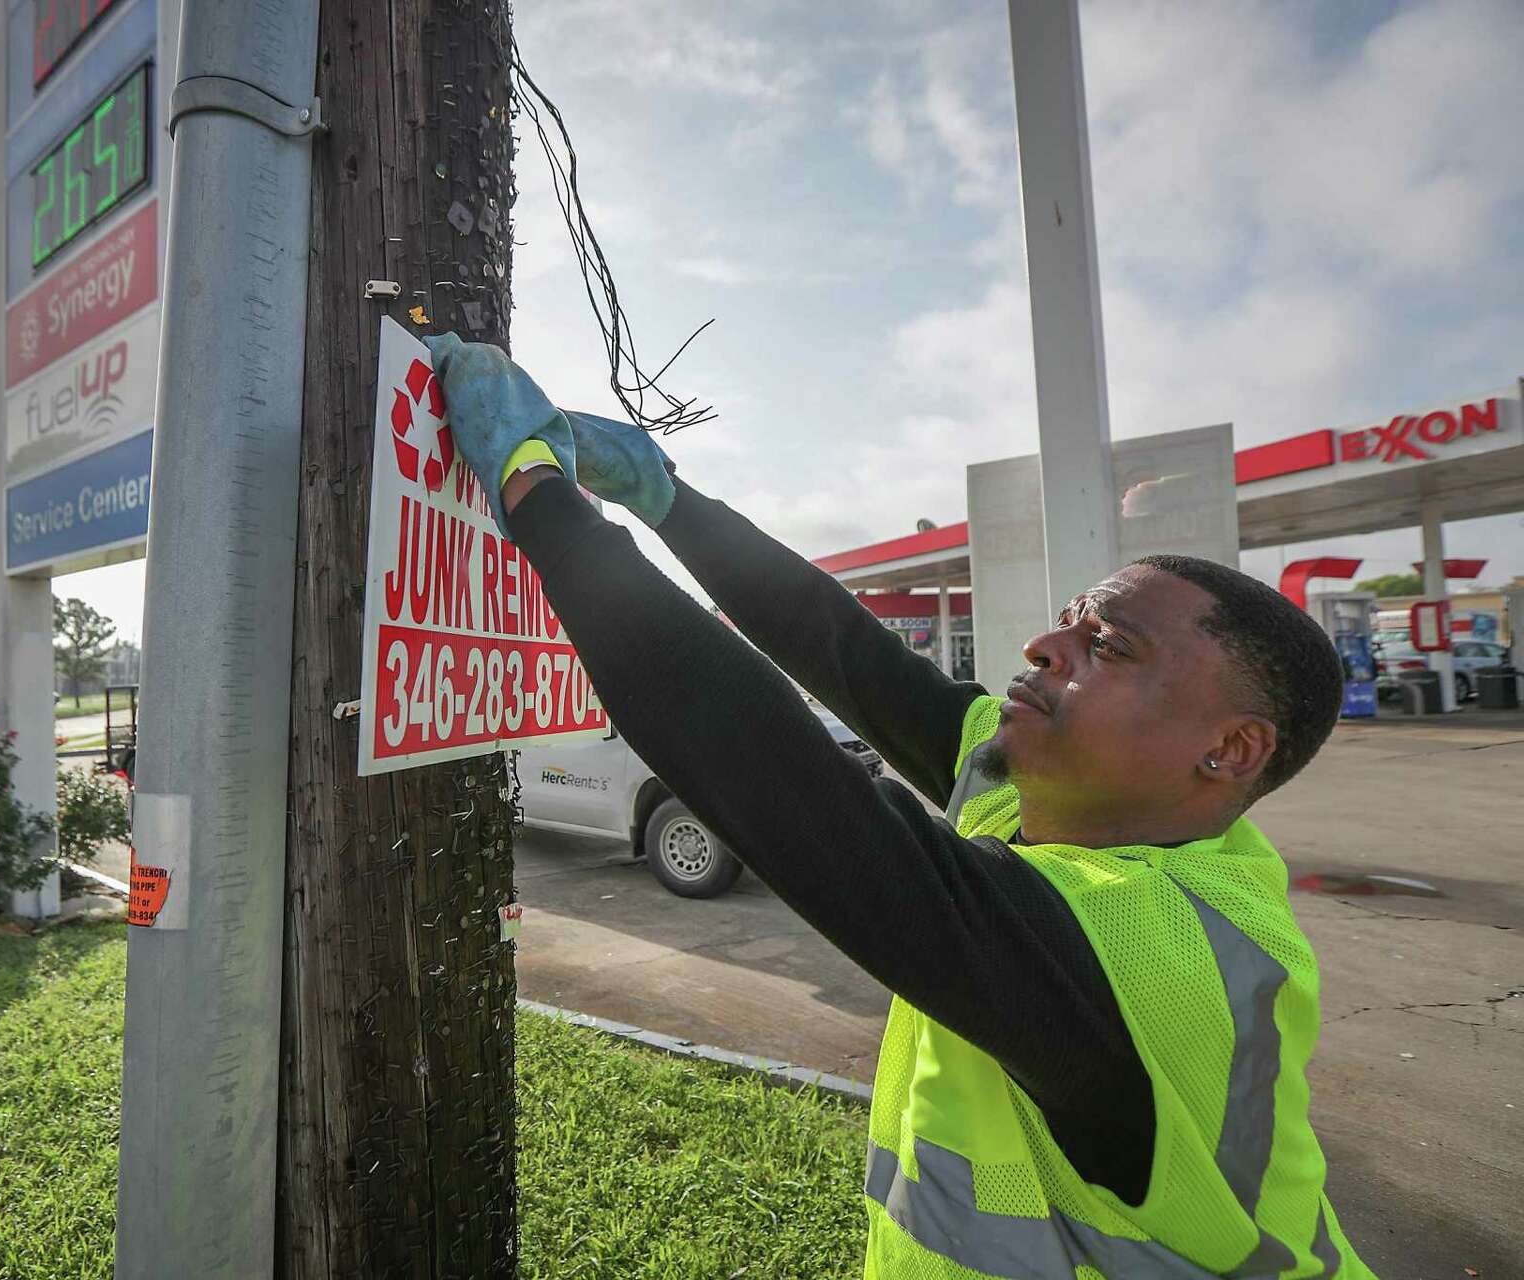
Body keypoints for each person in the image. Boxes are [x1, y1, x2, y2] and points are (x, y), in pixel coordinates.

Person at [423, 333, 1376, 1279]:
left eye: (1110, 647)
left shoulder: (1153, 956)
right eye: (1071, 620)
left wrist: (540, 498)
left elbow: (781, 779)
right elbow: (843, 650)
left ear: (1230, 749)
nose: (1047, 645)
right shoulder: (1036, 791)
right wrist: (669, 501)